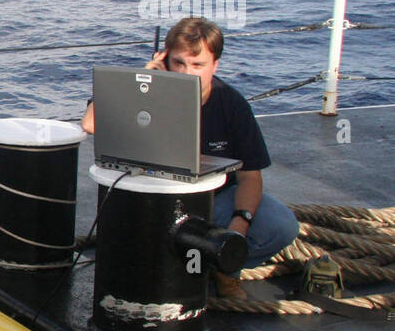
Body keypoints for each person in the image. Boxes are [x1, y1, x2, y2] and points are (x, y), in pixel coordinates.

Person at [82, 17, 298, 298]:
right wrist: (142, 80)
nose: (187, 73)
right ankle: (184, 266)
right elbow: (90, 123)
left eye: (198, 65)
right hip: (153, 200)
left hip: (212, 201)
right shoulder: (148, 92)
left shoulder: (232, 104)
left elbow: (250, 176)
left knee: (281, 226)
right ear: (166, 60)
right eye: (179, 63)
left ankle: (221, 269)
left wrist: (236, 231)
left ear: (215, 65)